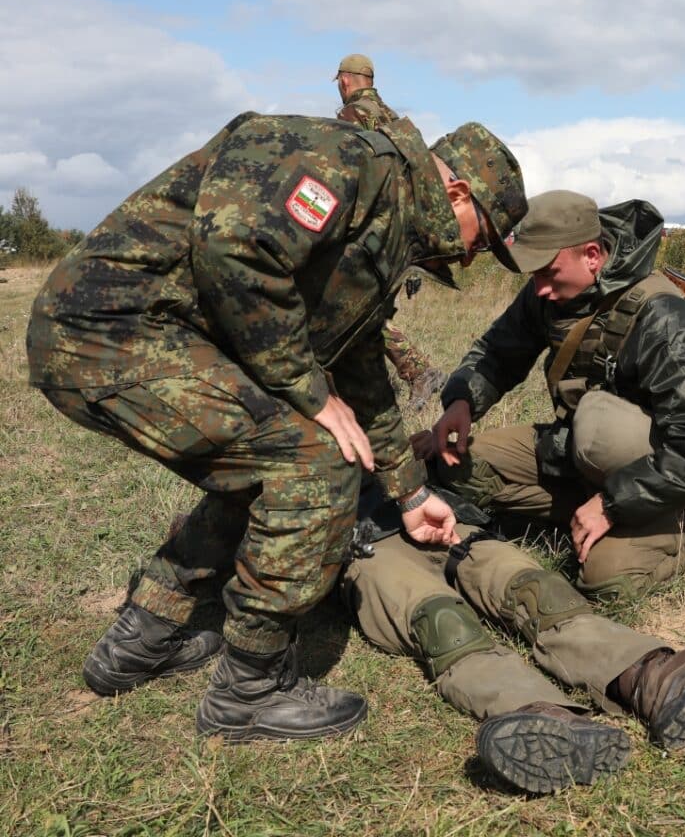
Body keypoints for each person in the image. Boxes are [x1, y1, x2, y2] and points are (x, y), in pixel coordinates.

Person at [25, 111, 527, 742]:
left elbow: (360, 362)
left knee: (271, 462)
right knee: (315, 458)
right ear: (456, 192)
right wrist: (309, 391)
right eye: (484, 238)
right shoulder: (350, 162)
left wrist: (409, 491)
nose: (472, 256)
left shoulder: (389, 218)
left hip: (137, 336)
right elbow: (236, 247)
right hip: (110, 332)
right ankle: (250, 691)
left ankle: (144, 636)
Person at [341, 482, 685, 794]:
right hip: (362, 544)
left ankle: (656, 681)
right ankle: (545, 721)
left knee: (541, 594)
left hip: (431, 514)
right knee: (444, 626)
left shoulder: (365, 402)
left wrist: (414, 489)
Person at [422, 190, 685, 600]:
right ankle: (577, 510)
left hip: (650, 478)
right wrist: (462, 401)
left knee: (604, 582)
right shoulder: (549, 291)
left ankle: (684, 526)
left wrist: (612, 503)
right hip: (573, 452)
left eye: (548, 273)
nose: (539, 288)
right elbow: (498, 352)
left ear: (592, 255)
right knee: (454, 467)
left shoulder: (667, 321)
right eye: (534, 275)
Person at [334, 52, 447, 408]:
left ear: (344, 80)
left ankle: (418, 372)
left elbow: (348, 176)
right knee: (368, 310)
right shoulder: (394, 119)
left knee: (357, 309)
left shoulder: (353, 115)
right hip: (401, 231)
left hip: (371, 229)